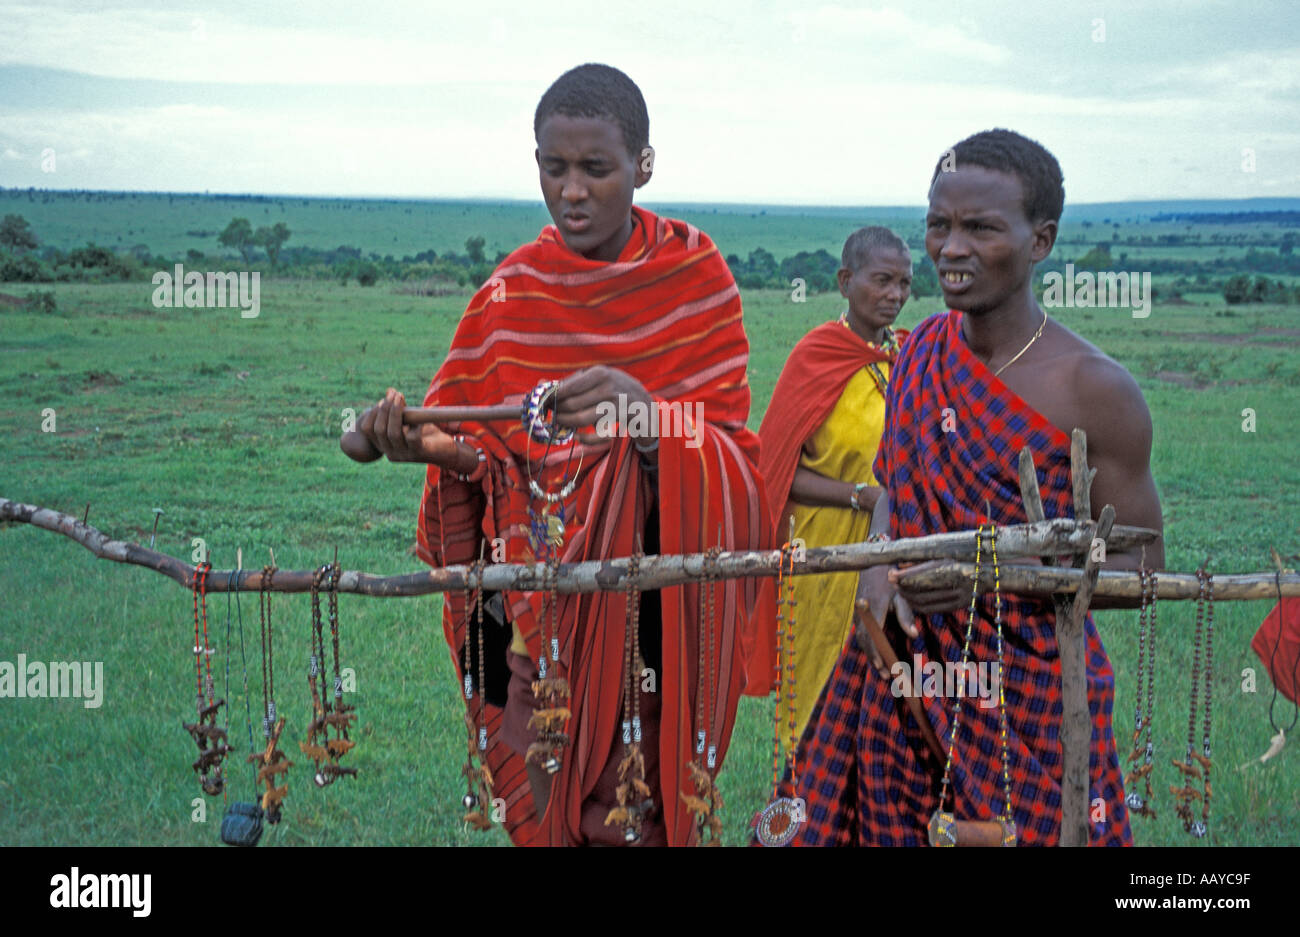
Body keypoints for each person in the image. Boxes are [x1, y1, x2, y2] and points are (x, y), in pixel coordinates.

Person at [344, 63, 770, 846]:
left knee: (637, 817)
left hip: (655, 615)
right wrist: (414, 444)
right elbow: (482, 451)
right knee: (548, 814)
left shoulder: (696, 279)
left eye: (596, 169)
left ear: (643, 166)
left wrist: (647, 419)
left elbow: (734, 462)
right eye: (554, 168)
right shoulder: (513, 289)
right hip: (540, 615)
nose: (572, 191)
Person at [785, 128, 1165, 846]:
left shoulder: (1095, 390)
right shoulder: (923, 351)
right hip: (902, 677)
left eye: (981, 228)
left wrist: (991, 582)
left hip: (1033, 701)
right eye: (939, 225)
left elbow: (1144, 570)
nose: (951, 248)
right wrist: (874, 565)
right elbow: (894, 483)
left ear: (1040, 240)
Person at [753, 226, 911, 746]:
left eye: (905, 284)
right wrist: (860, 496)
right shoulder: (816, 357)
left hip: (897, 553)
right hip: (823, 550)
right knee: (819, 690)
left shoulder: (910, 359)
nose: (894, 295)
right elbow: (778, 468)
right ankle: (806, 800)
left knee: (890, 692)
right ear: (846, 281)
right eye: (882, 281)